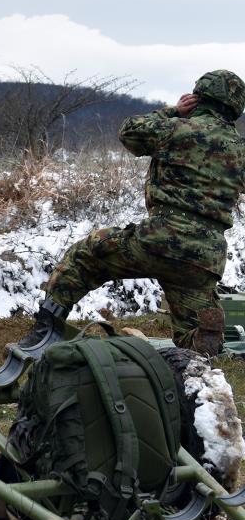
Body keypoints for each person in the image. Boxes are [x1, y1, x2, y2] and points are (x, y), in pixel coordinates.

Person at [25, 70, 245, 356]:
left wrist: (173, 111)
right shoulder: (240, 149)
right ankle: (202, 339)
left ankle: (44, 332)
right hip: (205, 257)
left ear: (198, 97)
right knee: (190, 327)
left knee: (83, 257)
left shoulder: (177, 129)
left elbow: (129, 132)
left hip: (160, 238)